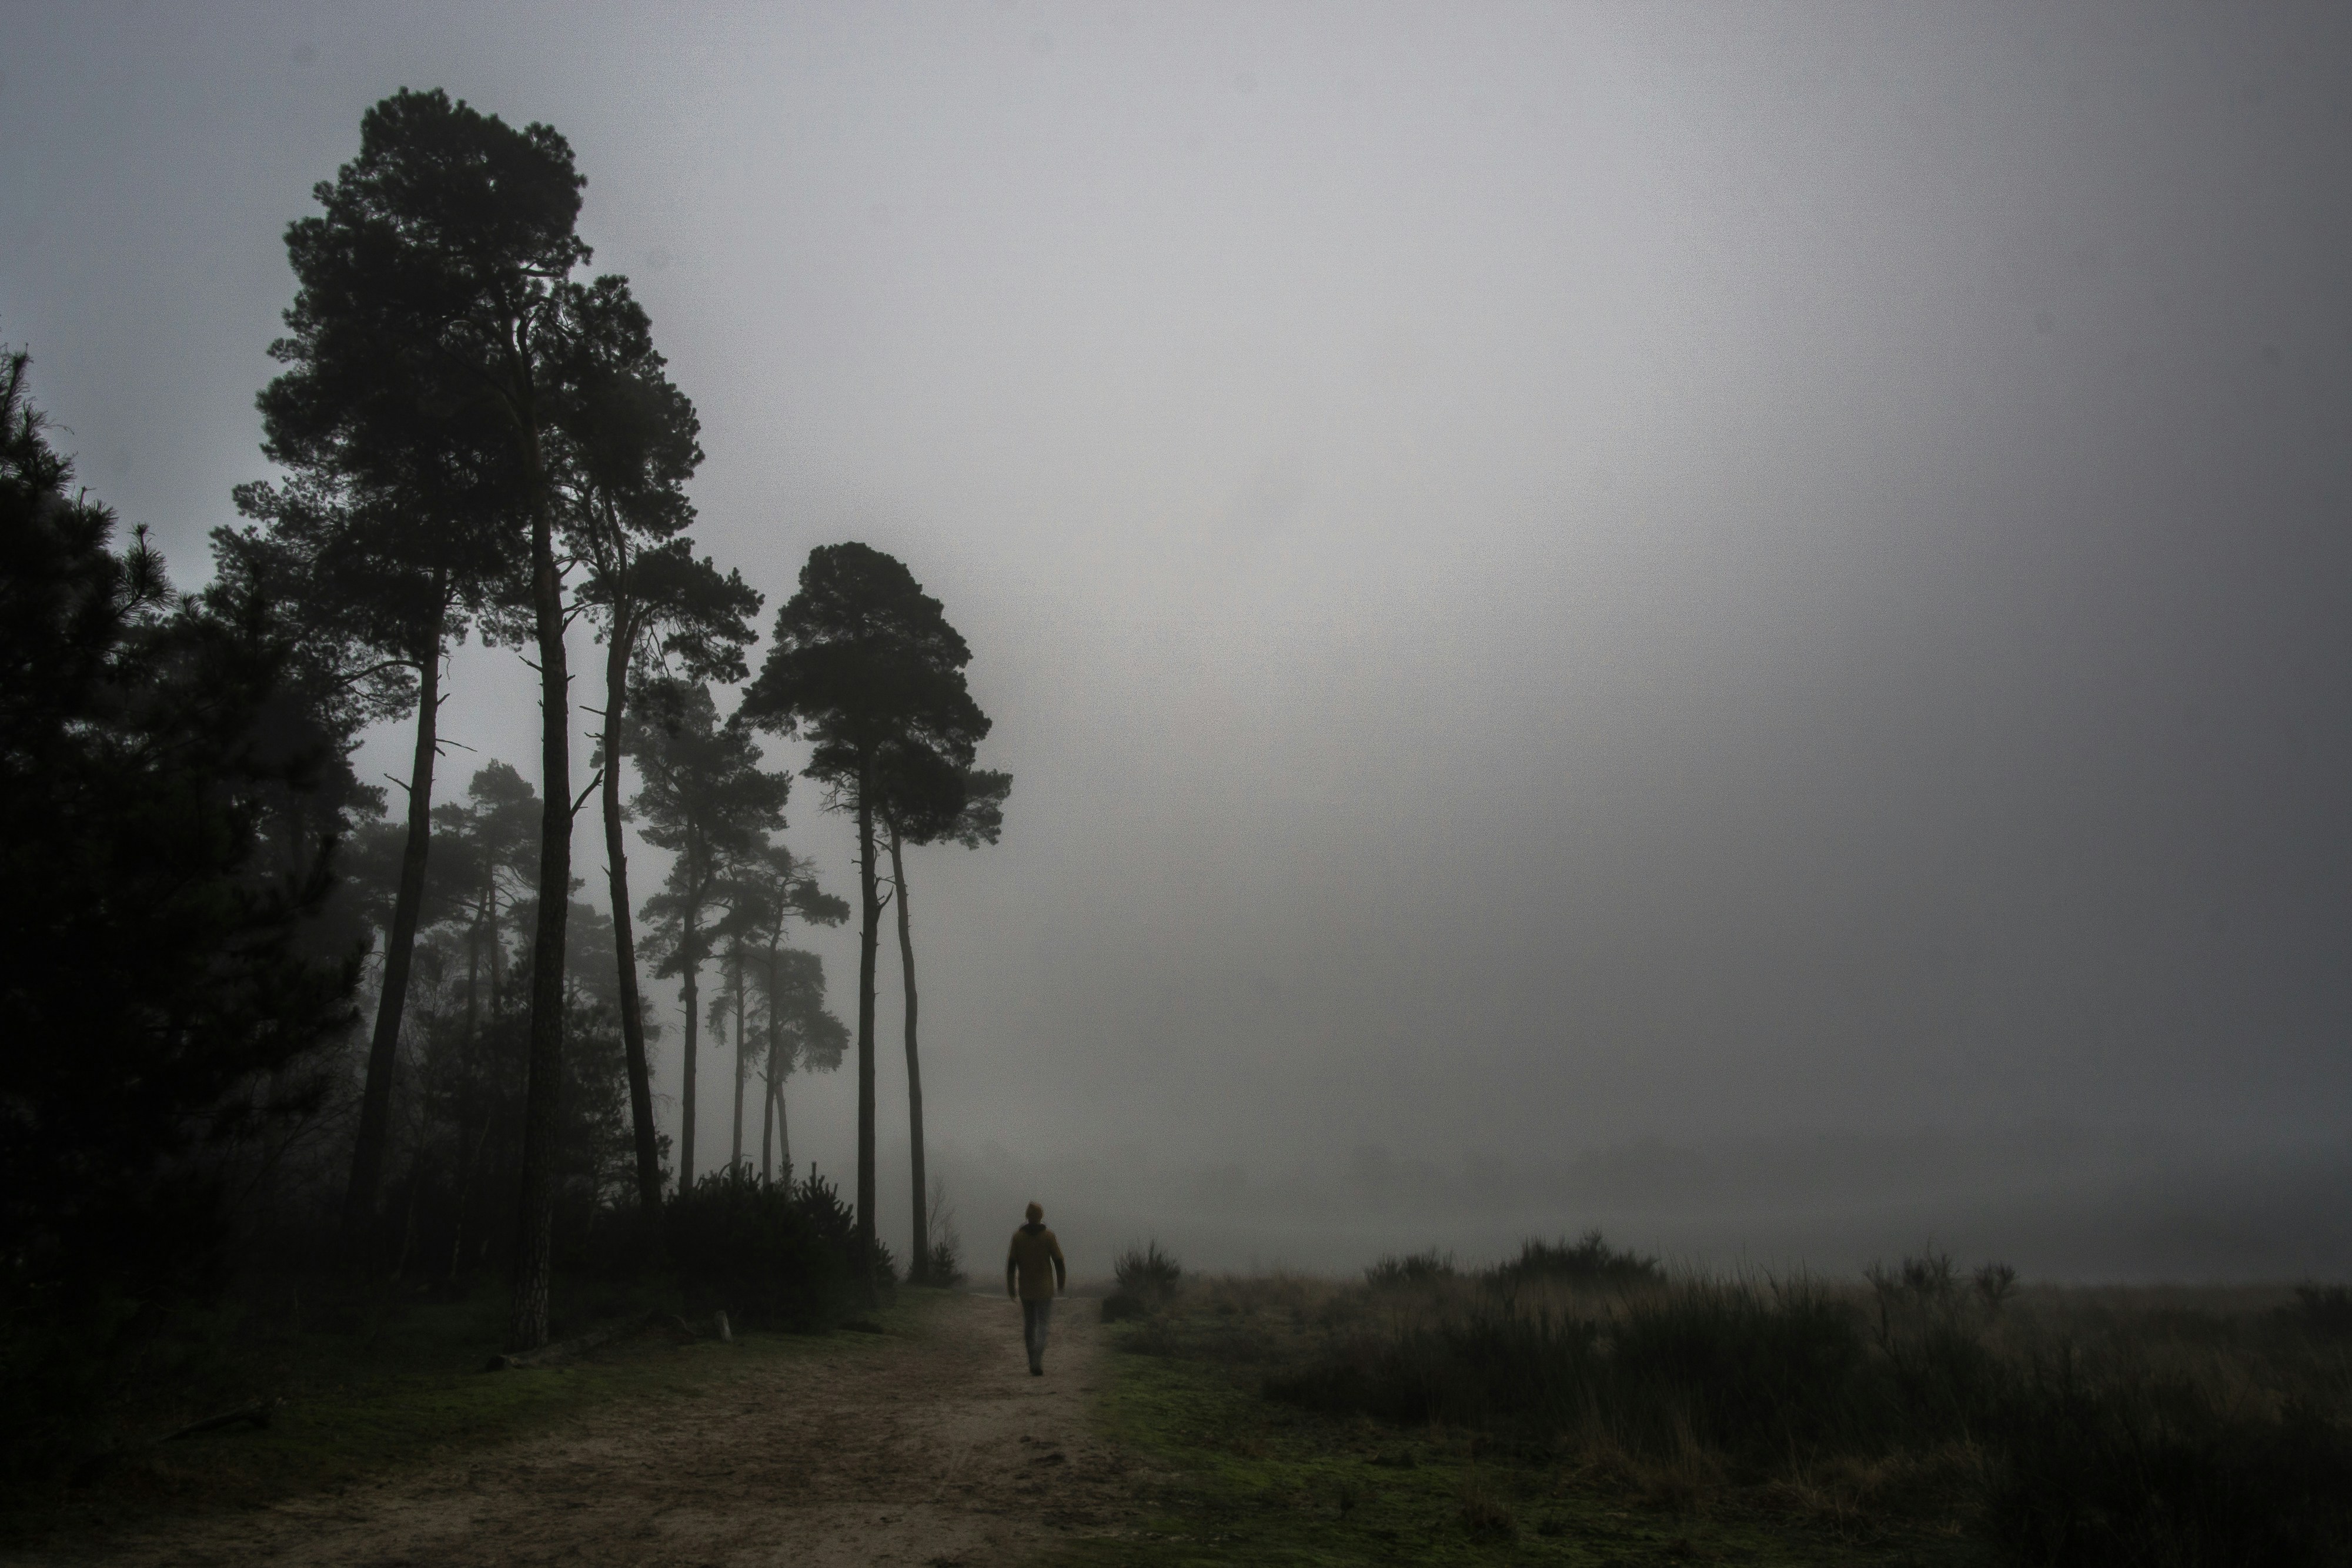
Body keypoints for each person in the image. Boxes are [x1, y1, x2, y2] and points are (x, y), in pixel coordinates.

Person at [1005, 1201, 1066, 1376]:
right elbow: (1059, 1261)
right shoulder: (1048, 1236)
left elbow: (1011, 1264)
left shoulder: (1018, 1237)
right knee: (1043, 1325)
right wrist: (1061, 1282)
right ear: (1041, 1216)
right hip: (1045, 1288)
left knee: (1030, 1324)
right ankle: (1038, 1359)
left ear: (1027, 1216)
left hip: (1026, 1288)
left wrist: (1011, 1287)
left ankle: (1032, 1358)